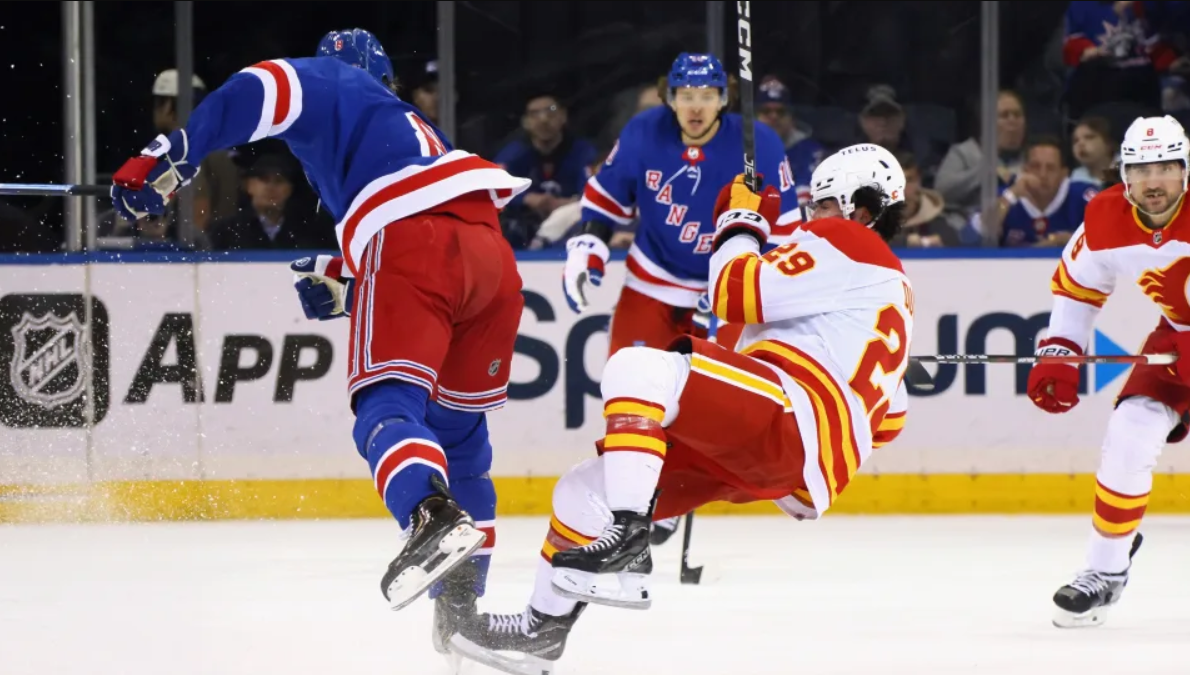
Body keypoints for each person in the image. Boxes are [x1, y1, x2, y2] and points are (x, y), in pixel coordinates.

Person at [108, 27, 530, 651]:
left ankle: (429, 513)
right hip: (492, 260)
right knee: (462, 439)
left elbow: (262, 85)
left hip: (413, 241)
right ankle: (462, 612)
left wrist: (173, 152)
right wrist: (358, 288)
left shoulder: (335, 82)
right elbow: (442, 256)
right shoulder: (413, 132)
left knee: (386, 406)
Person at [451, 144, 914, 675]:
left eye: (824, 206)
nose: (813, 220)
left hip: (788, 421)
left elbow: (733, 290)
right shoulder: (887, 291)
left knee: (637, 366)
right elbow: (890, 422)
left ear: (862, 208)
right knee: (583, 491)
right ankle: (541, 630)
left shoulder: (848, 240)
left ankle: (629, 537)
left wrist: (741, 223)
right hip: (786, 463)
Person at [1027, 115, 1190, 629]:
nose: (1154, 181)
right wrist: (1060, 351)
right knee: (1129, 430)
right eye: (1141, 170)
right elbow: (1078, 291)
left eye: (1166, 168)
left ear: (1186, 171)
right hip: (1178, 339)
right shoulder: (1104, 218)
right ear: (1124, 175)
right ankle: (1105, 569)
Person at [562, 52, 799, 356]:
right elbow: (608, 197)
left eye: (707, 96)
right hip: (653, 280)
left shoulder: (759, 143)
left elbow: (784, 232)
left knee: (729, 384)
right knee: (630, 380)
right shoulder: (643, 131)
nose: (696, 107)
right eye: (686, 96)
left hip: (731, 290)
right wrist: (588, 244)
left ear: (723, 99)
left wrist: (734, 285)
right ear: (670, 99)